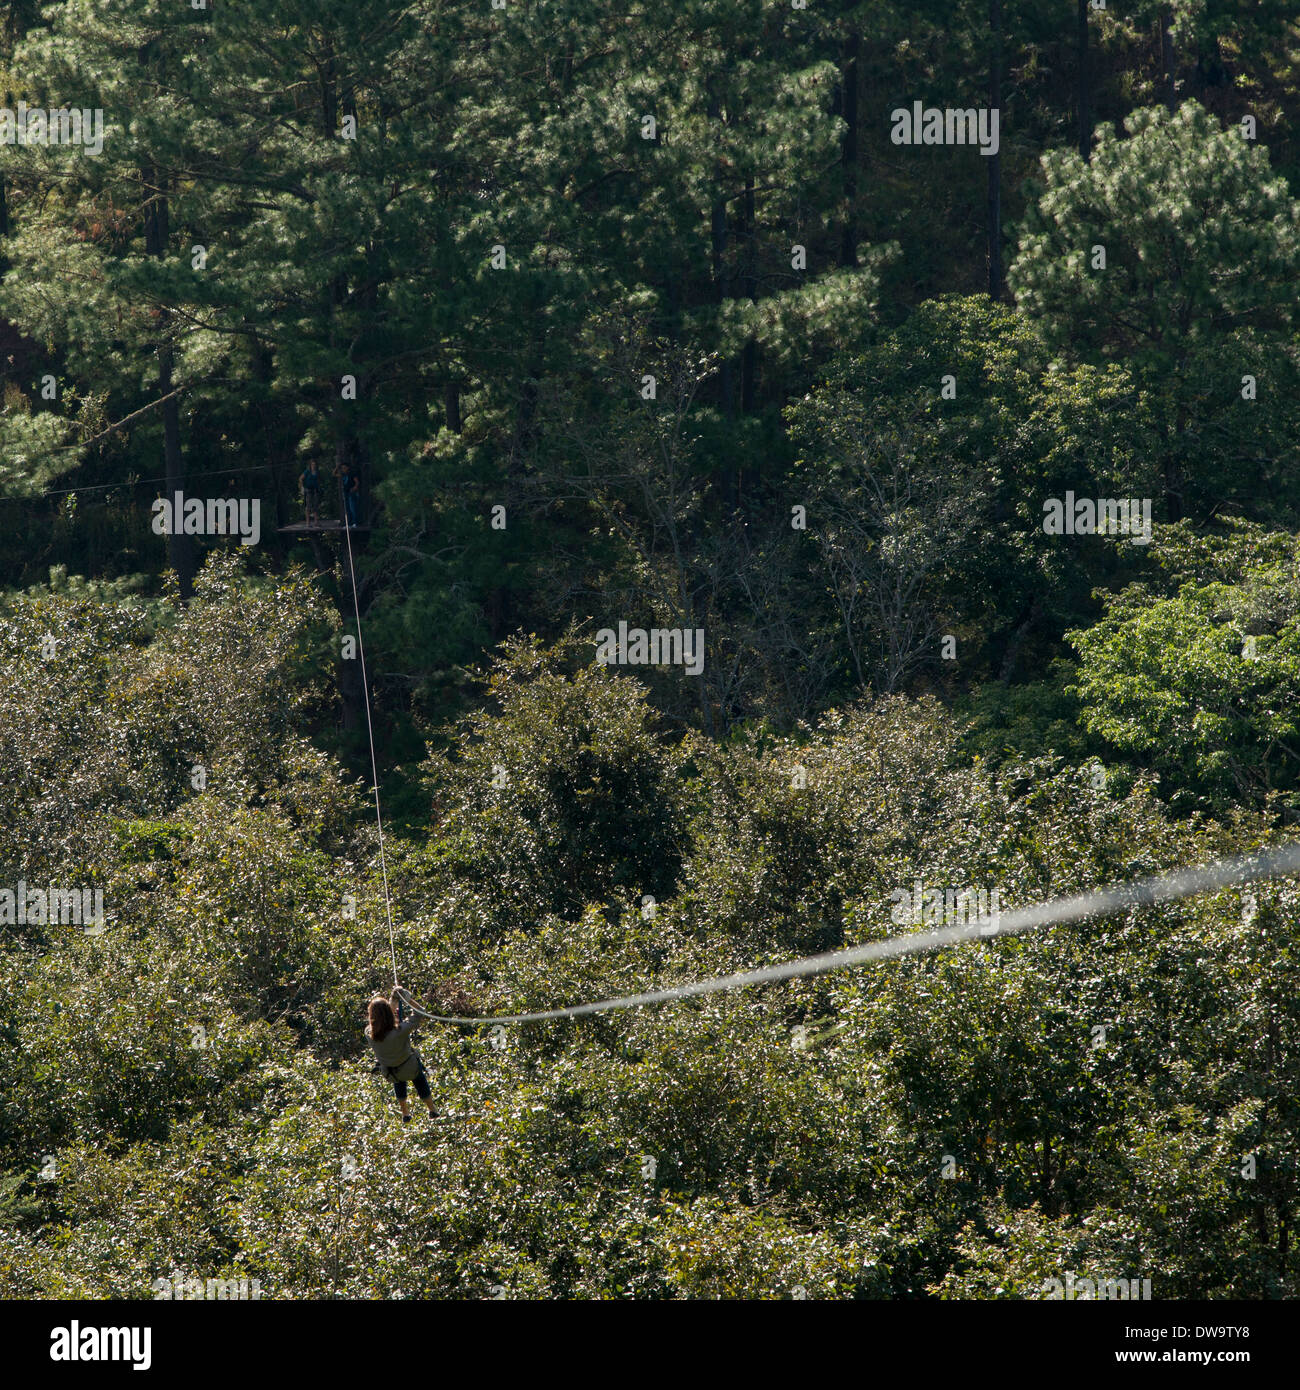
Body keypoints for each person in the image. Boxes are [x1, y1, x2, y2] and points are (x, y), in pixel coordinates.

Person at [365, 988, 435, 1123]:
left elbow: (380, 1020)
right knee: (419, 1077)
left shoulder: (369, 1033)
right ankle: (432, 1109)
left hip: (391, 1073)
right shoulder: (401, 1030)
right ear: (389, 1014)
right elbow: (420, 1012)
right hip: (410, 1069)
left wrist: (393, 1001)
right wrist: (406, 1000)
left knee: (398, 1077)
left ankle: (405, 1113)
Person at [300, 459, 322, 525]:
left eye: (314, 464)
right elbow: (300, 478)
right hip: (308, 490)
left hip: (315, 490)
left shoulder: (316, 472)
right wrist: (302, 488)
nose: (313, 466)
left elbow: (318, 481)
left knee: (315, 506)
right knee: (308, 506)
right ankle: (308, 522)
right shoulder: (307, 471)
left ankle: (316, 522)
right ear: (310, 465)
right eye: (312, 464)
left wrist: (319, 487)